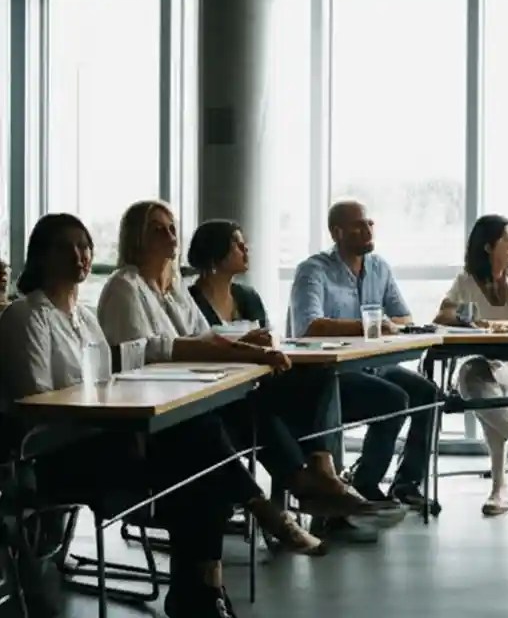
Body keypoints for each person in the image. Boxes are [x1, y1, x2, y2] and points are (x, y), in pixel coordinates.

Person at [0, 214, 306, 617]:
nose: (79, 256)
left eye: (85, 246)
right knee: (199, 453)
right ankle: (218, 567)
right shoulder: (26, 316)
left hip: (107, 439)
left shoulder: (85, 317)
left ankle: (203, 589)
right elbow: (35, 403)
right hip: (58, 456)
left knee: (201, 460)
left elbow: (111, 380)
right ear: (40, 257)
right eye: (65, 247)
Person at [95, 200, 332, 555]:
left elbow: (203, 336)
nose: (170, 235)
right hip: (151, 416)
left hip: (187, 396)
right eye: (157, 228)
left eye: (172, 227)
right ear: (136, 238)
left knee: (257, 405)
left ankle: (301, 485)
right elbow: (156, 350)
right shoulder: (124, 287)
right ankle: (273, 506)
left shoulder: (173, 285)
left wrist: (242, 343)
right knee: (210, 429)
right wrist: (248, 352)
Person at [187, 218, 373, 519]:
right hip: (221, 392)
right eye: (236, 243)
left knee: (321, 374)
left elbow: (269, 337)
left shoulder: (246, 295)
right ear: (216, 251)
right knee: (263, 411)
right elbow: (199, 346)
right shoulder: (191, 301)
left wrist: (263, 344)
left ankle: (321, 469)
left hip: (259, 381)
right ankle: (306, 485)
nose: (245, 248)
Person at [290, 200, 442, 521]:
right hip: (331, 376)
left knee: (427, 394)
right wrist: (369, 326)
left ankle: (406, 483)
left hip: (374, 365)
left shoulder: (379, 268)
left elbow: (402, 316)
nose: (368, 229)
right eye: (359, 225)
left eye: (370, 223)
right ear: (337, 232)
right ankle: (365, 482)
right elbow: (308, 326)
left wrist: (387, 326)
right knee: (394, 398)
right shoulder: (313, 271)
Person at [433, 215, 508, 516]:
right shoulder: (467, 280)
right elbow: (442, 315)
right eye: (507, 238)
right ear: (488, 247)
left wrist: (506, 326)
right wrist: (467, 317)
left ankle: (501, 484)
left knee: (484, 391)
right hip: (485, 367)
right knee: (471, 377)